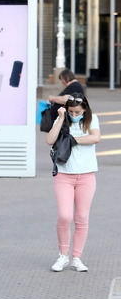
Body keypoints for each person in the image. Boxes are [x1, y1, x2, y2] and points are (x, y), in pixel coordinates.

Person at [46, 95, 100, 272]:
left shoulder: (91, 120)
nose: (74, 114)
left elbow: (95, 138)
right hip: (63, 175)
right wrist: (61, 118)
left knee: (82, 217)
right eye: (71, 112)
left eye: (77, 112)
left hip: (86, 176)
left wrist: (74, 140)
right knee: (65, 216)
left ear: (85, 109)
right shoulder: (63, 119)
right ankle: (63, 255)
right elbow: (50, 140)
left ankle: (77, 257)